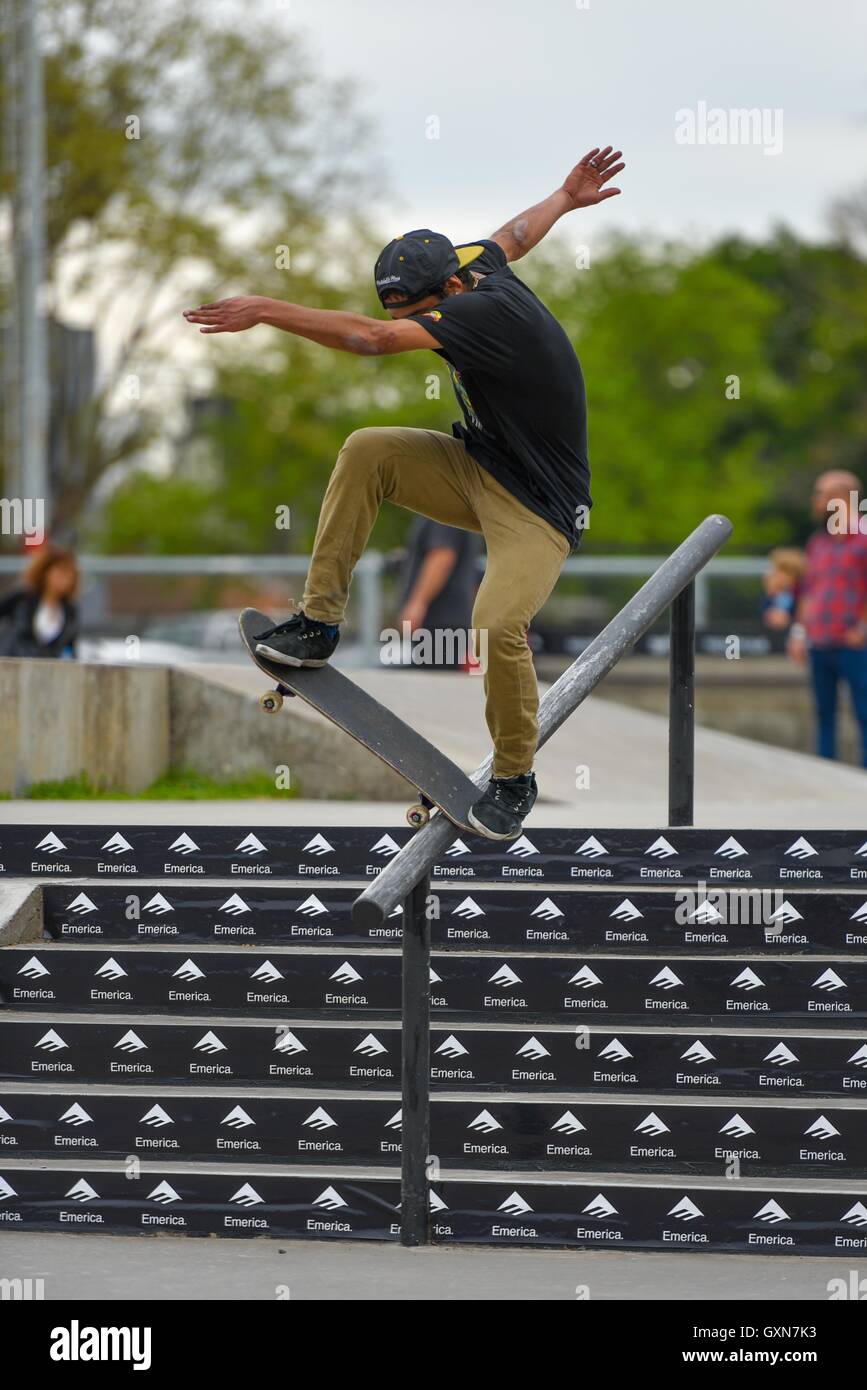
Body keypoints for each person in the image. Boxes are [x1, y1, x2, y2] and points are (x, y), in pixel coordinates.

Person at [184, 145, 626, 837]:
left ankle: (514, 776)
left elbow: (370, 340)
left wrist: (267, 308)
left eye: (418, 315)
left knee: (497, 621)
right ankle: (319, 623)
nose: (414, 328)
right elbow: (513, 236)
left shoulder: (486, 317)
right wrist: (563, 199)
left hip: (540, 509)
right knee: (368, 450)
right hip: (478, 469)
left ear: (448, 293)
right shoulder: (472, 264)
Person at [788, 471, 867, 765]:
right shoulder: (819, 543)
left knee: (864, 711)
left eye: (820, 493)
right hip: (821, 639)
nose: (816, 500)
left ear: (841, 498)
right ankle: (827, 773)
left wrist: (862, 627)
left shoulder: (863, 540)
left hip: (855, 643)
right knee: (824, 714)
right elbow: (809, 591)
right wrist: (799, 633)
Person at [397, 518, 482, 670]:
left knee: (432, 684)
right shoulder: (462, 510)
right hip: (451, 622)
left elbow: (442, 556)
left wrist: (418, 603)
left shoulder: (443, 511)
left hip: (440, 621)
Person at [0, 545, 80, 659]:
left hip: (47, 670)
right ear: (45, 572)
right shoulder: (23, 599)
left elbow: (69, 648)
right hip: (13, 664)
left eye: (69, 574)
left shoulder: (70, 611)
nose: (64, 579)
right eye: (60, 572)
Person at [761, 547, 804, 632]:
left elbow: (779, 621)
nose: (768, 574)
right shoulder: (773, 597)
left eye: (775, 570)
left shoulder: (790, 597)